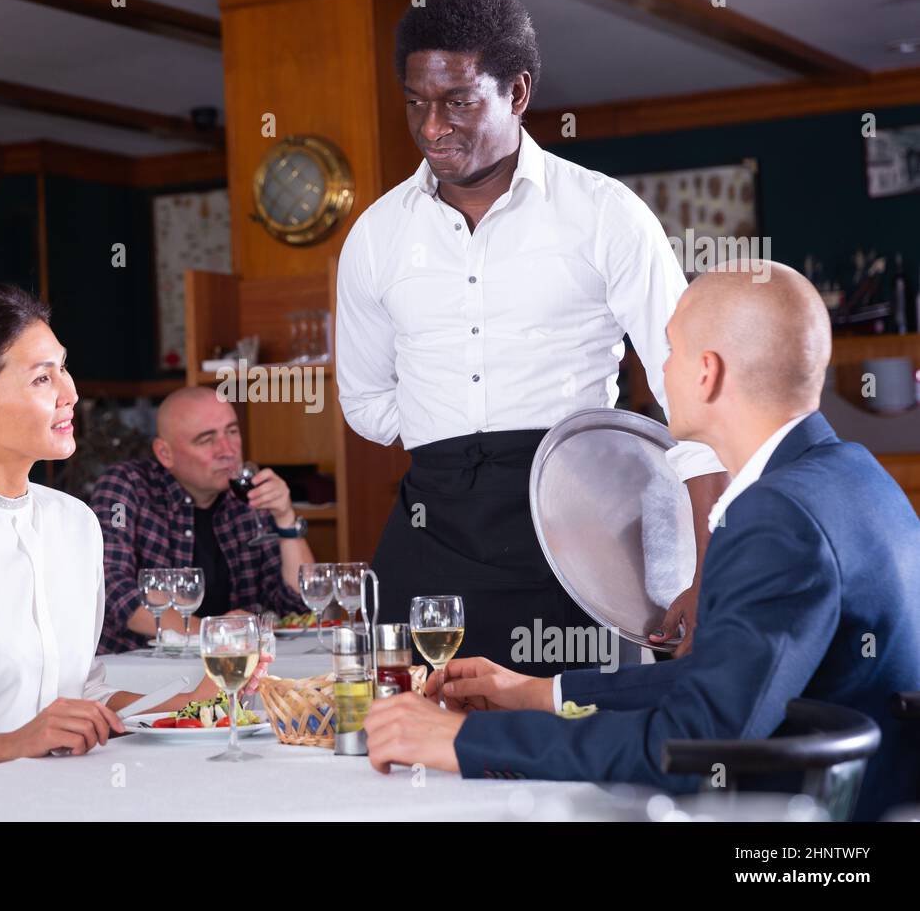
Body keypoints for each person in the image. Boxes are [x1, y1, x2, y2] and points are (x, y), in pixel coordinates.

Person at [364, 262, 920, 821]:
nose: (660, 370)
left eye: (670, 351)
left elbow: (697, 741)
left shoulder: (778, 519)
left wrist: (460, 742)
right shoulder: (852, 474)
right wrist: (543, 692)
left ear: (708, 373)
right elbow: (733, 681)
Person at [335, 0, 728, 673]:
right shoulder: (375, 235)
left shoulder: (607, 214)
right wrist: (446, 424)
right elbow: (366, 403)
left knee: (574, 744)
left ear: (516, 93)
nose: (432, 127)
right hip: (434, 530)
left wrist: (706, 573)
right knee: (404, 743)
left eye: (458, 101)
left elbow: (695, 403)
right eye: (416, 102)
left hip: (581, 530)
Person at [0, 285, 266, 787]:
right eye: (43, 377)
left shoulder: (75, 523)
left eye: (63, 368)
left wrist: (198, 700)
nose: (71, 393)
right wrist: (15, 744)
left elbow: (82, 698)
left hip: (65, 794)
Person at [91, 385, 315, 653]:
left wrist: (285, 518)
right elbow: (111, 586)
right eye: (207, 439)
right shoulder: (125, 487)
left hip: (234, 665)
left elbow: (300, 603)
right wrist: (215, 633)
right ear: (165, 453)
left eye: (232, 432)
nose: (227, 450)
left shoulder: (249, 498)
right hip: (137, 670)